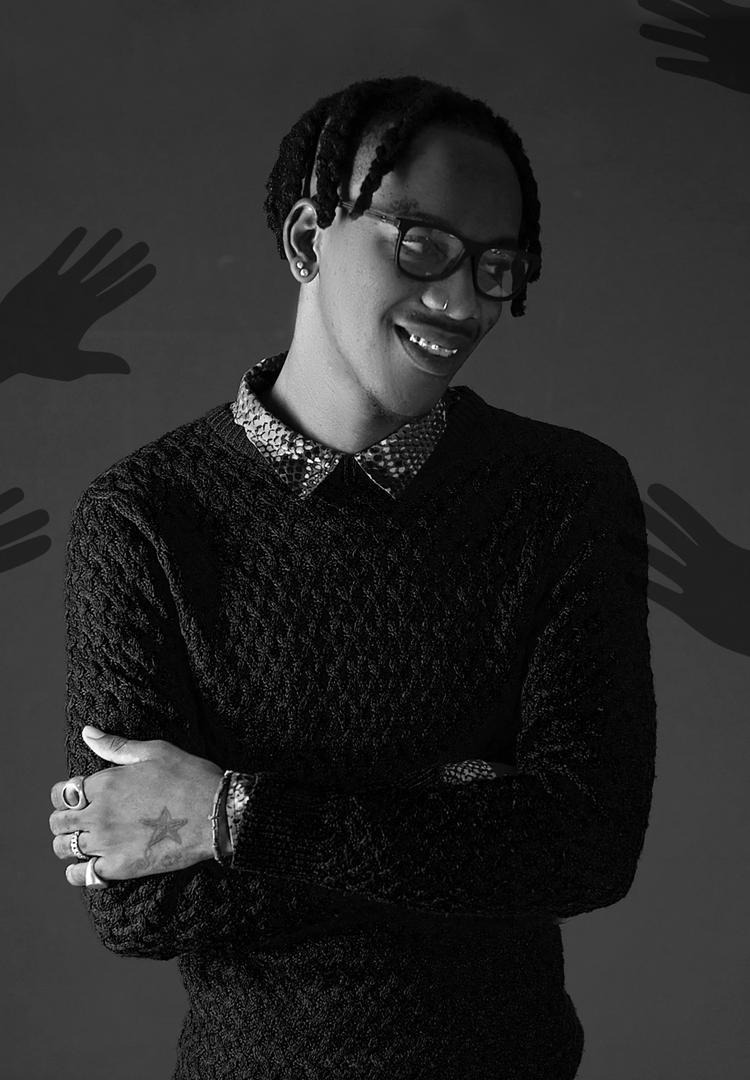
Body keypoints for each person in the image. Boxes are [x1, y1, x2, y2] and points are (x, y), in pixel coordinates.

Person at [48, 75, 657, 1080]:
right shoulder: (145, 518)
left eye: (497, 266)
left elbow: (584, 845)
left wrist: (231, 816)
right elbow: (139, 903)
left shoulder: (563, 496)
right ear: (307, 240)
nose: (462, 301)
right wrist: (458, 809)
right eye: (420, 243)